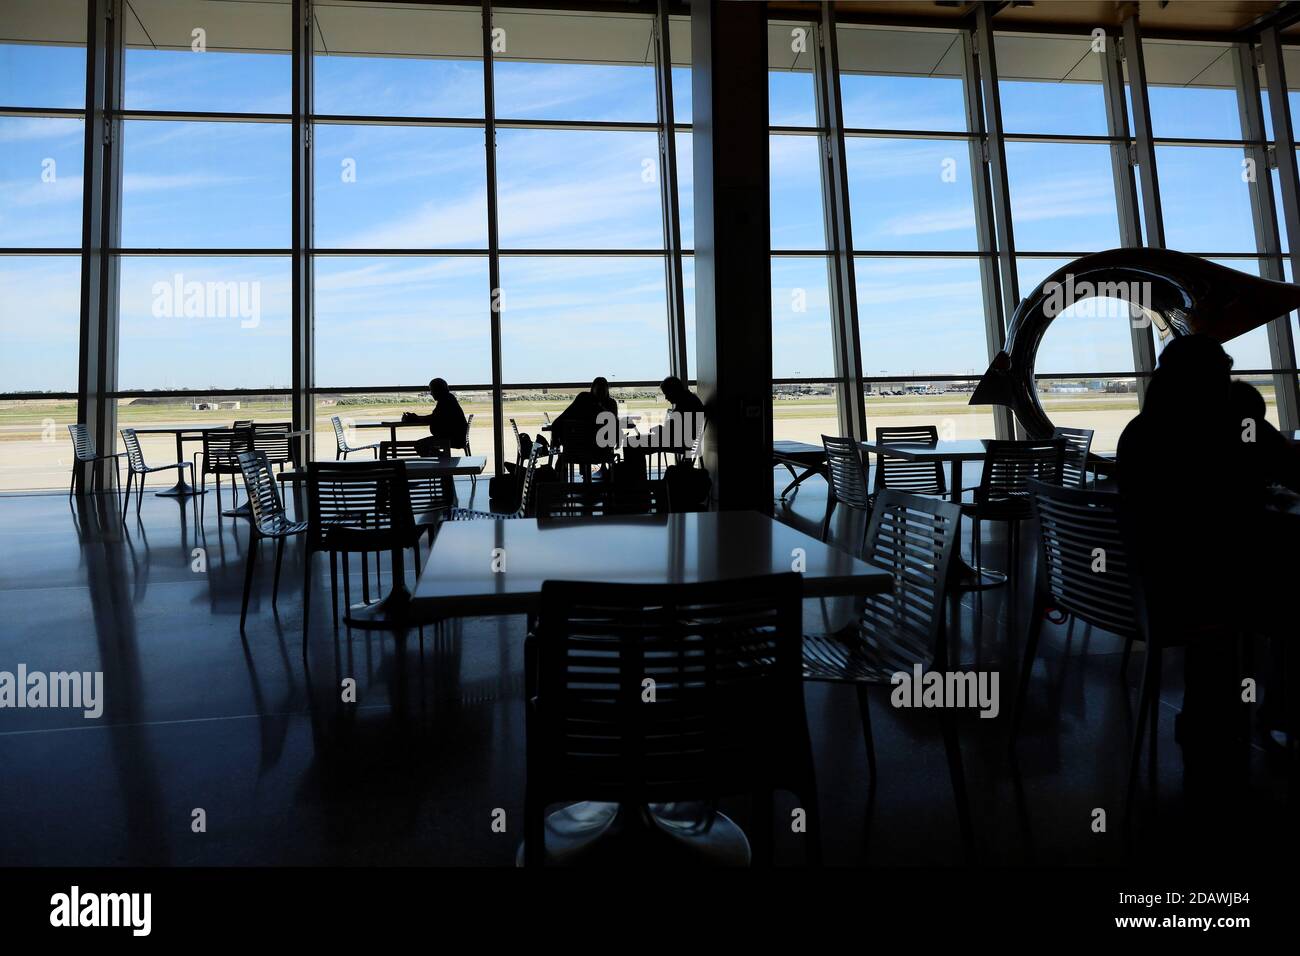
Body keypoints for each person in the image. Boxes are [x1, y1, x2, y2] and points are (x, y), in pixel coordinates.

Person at [402, 378, 468, 457]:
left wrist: (416, 418)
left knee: (419, 445)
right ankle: (442, 460)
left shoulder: (445, 401)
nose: (431, 393)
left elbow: (433, 419)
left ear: (438, 390)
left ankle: (442, 461)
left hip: (452, 439)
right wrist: (417, 418)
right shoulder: (448, 399)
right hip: (455, 437)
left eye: (432, 390)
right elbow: (435, 418)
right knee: (425, 445)